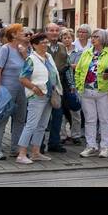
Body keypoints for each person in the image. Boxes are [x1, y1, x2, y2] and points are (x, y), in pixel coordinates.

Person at [74, 28, 108, 157]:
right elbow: (78, 70)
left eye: (96, 36)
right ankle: (91, 145)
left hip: (104, 91)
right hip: (86, 91)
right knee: (90, 120)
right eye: (92, 36)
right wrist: (79, 86)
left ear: (103, 39)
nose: (92, 38)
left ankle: (105, 146)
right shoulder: (87, 52)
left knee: (105, 119)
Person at [15, 32, 58, 164]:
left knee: (42, 126)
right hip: (37, 96)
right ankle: (21, 154)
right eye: (42, 43)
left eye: (47, 42)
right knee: (31, 125)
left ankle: (36, 152)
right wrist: (34, 88)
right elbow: (22, 78)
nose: (46, 45)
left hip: (48, 95)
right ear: (34, 45)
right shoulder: (31, 59)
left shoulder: (48, 57)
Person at [0, 24, 29, 160]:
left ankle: (15, 148)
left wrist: (24, 55)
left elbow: (29, 68)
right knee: (2, 119)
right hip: (7, 89)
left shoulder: (24, 49)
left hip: (22, 89)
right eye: (21, 31)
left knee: (20, 119)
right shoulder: (5, 49)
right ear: (13, 35)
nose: (25, 33)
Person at [44, 21, 69, 152]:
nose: (54, 33)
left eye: (56, 31)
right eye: (51, 30)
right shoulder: (40, 45)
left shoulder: (62, 46)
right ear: (46, 32)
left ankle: (54, 142)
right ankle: (40, 144)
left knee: (58, 115)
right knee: (42, 116)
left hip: (58, 85)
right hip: (43, 85)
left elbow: (67, 65)